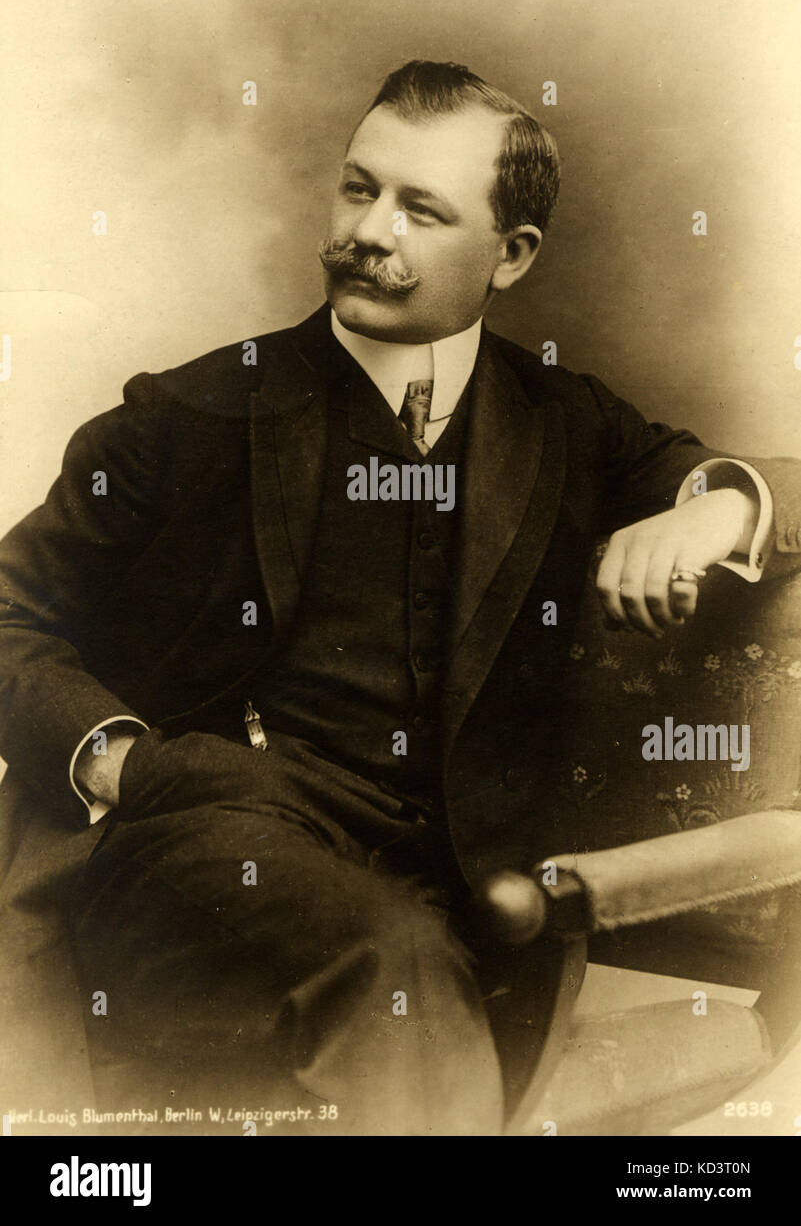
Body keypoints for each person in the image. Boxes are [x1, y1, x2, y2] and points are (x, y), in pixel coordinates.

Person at [1, 61, 800, 1136]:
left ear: (511, 255)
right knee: (391, 965)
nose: (370, 230)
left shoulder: (562, 421)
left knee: (412, 957)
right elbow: (11, 611)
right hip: (209, 839)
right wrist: (117, 759)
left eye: (422, 209)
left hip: (465, 882)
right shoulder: (187, 414)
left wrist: (709, 514)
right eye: (357, 188)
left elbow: (773, 482)